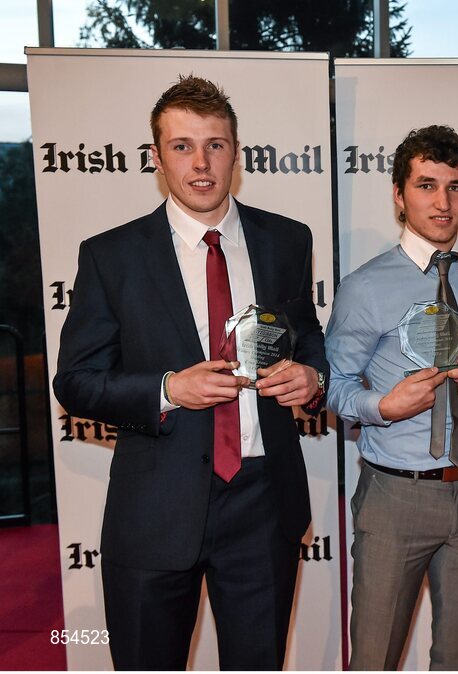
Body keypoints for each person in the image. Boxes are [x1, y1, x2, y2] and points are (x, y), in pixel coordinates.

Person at [53, 75, 328, 670]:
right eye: (182, 146)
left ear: (236, 151)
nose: (201, 163)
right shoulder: (111, 256)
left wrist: (312, 377)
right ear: (157, 157)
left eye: (216, 145)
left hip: (263, 502)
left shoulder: (285, 240)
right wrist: (166, 389)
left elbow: (307, 337)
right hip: (155, 508)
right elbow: (74, 381)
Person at [325, 125, 458, 670]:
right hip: (393, 496)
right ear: (398, 194)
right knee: (375, 660)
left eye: (455, 187)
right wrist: (383, 407)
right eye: (427, 185)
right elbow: (332, 388)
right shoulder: (364, 288)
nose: (442, 201)